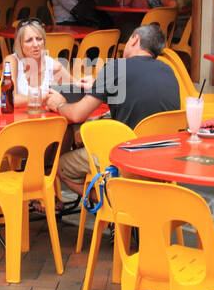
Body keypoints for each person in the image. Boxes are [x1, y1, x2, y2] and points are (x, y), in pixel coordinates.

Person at [44, 23, 180, 201]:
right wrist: (98, 86)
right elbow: (137, 95)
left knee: (60, 166)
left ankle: (115, 203)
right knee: (82, 137)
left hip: (127, 159)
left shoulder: (118, 67)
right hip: (164, 162)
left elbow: (77, 114)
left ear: (135, 39)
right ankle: (123, 201)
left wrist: (60, 104)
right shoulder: (169, 71)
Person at [4, 20, 76, 111]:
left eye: (39, 39)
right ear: (20, 44)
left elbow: (76, 89)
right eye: (29, 40)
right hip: (11, 120)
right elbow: (9, 99)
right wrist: (41, 98)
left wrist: (90, 84)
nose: (36, 44)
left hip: (39, 120)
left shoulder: (52, 65)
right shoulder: (12, 61)